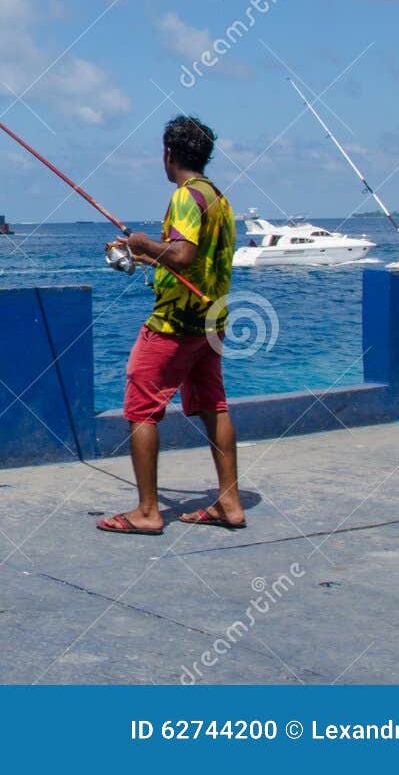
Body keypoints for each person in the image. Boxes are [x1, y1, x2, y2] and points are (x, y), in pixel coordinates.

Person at [96, 115, 242, 535]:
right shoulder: (218, 198)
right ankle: (230, 502)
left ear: (169, 153)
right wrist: (146, 257)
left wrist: (143, 243)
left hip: (174, 324)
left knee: (142, 408)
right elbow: (195, 260)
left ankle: (147, 511)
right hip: (212, 320)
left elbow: (182, 256)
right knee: (214, 404)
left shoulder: (184, 197)